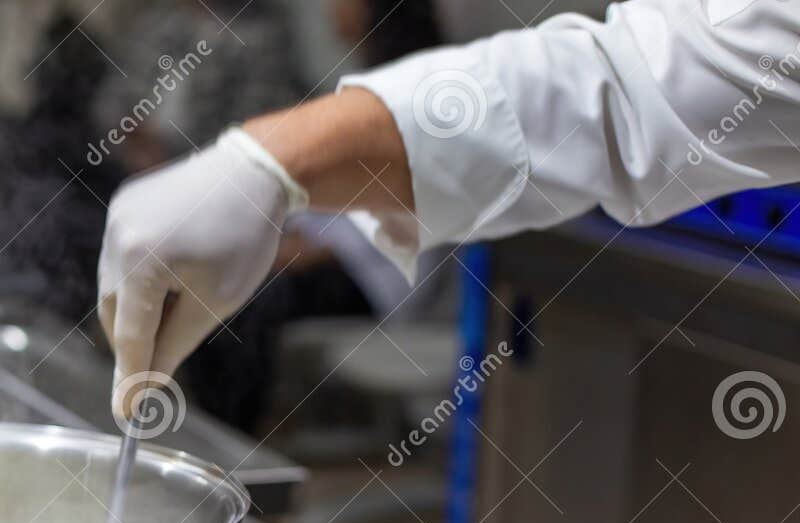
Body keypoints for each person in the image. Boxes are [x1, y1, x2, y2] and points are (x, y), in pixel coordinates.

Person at [98, 0, 800, 416]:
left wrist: (272, 165)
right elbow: (629, 90)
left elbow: (625, 94)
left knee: (254, 317)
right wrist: (268, 161)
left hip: (383, 284)